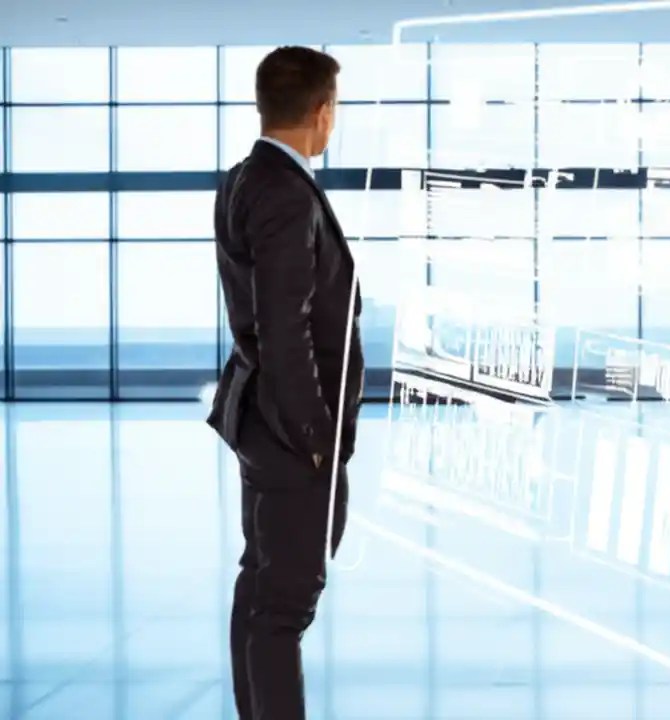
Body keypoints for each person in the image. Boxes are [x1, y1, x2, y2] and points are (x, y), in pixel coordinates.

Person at [207, 45, 364, 720]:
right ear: (323, 112)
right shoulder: (285, 193)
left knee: (261, 589)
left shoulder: (243, 179)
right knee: (284, 606)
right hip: (288, 431)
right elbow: (283, 328)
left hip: (259, 420)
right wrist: (316, 439)